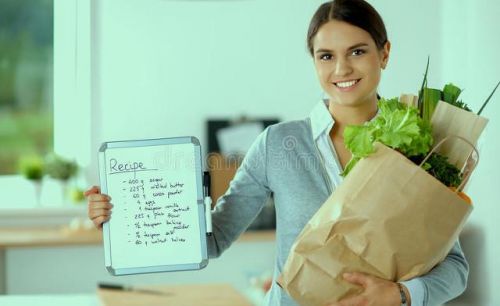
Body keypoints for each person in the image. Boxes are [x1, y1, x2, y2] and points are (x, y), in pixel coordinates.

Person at [86, 1, 468, 305]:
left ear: (383, 54)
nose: (342, 68)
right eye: (325, 56)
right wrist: (125, 220)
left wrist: (401, 296)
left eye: (357, 51)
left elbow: (454, 268)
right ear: (314, 61)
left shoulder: (421, 147)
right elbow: (214, 239)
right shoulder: (277, 144)